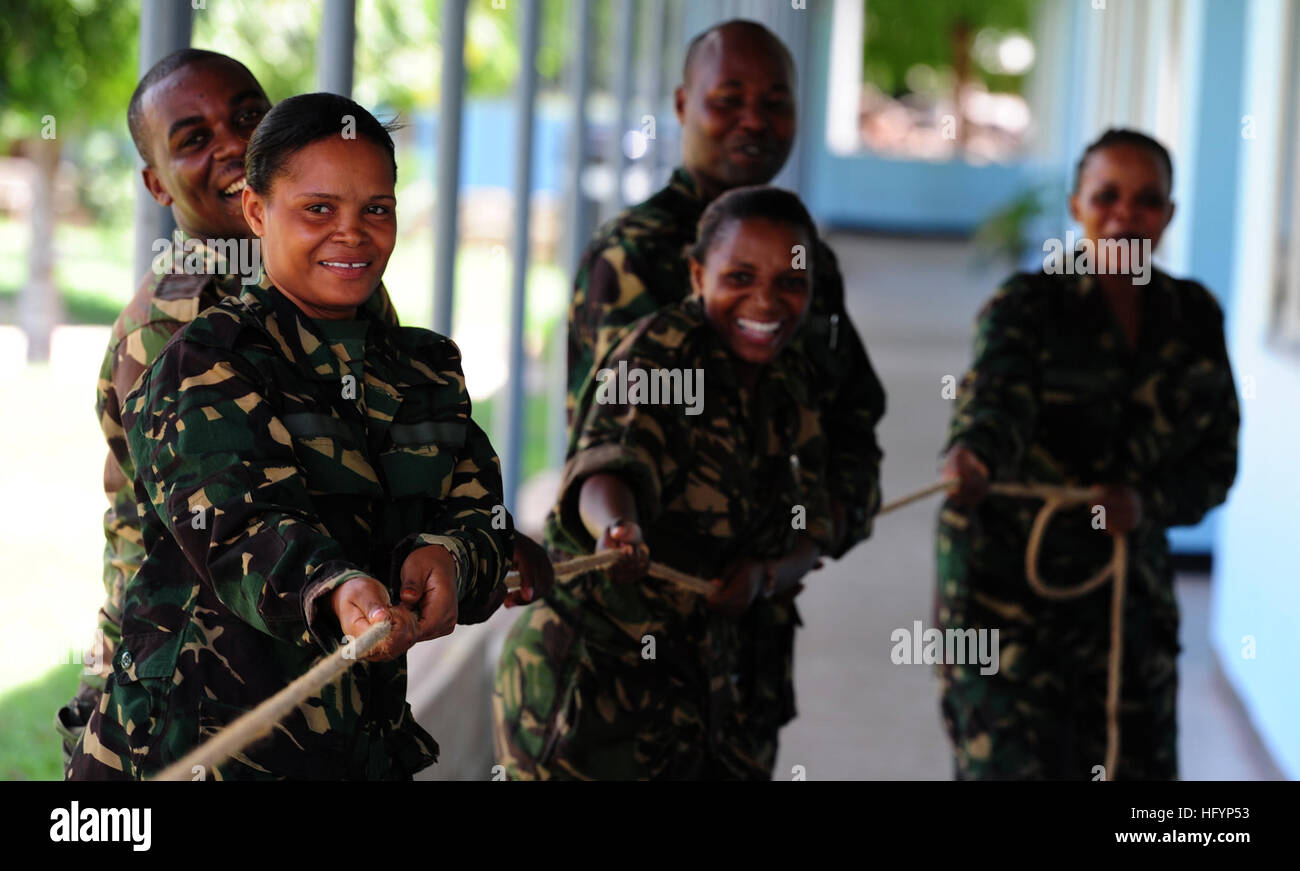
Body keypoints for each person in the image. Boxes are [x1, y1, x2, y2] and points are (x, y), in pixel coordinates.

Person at [67, 93, 548, 781]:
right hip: (201, 743)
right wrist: (332, 584)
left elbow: (474, 508)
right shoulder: (204, 356)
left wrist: (452, 558)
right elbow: (235, 521)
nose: (351, 233)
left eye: (375, 209)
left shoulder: (425, 366)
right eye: (318, 208)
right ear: (258, 212)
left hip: (357, 743)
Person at [554, 18, 886, 772]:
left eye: (775, 101)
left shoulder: (809, 257)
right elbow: (612, 446)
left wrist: (803, 547)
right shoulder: (634, 254)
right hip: (631, 651)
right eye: (727, 98)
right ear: (681, 104)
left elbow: (850, 425)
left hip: (746, 653)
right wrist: (622, 528)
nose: (753, 120)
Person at [495, 187, 840, 779]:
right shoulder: (663, 351)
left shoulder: (795, 373)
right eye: (740, 276)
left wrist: (768, 575)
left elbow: (814, 518)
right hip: (592, 687)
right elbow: (608, 464)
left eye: (790, 281)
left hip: (706, 685)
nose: (767, 300)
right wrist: (617, 526)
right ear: (697, 273)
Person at [936, 129, 1240, 780]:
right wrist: (973, 455)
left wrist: (1143, 503)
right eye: (1107, 196)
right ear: (1076, 206)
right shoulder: (1026, 307)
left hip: (1130, 611)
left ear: (1170, 214)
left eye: (1147, 200)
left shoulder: (1194, 316)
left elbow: (1216, 464)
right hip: (1009, 609)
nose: (1125, 215)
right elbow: (995, 404)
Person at [55, 49, 279, 765]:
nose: (234, 144)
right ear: (157, 184)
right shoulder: (169, 331)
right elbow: (245, 527)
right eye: (194, 138)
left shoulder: (324, 275)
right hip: (189, 696)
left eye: (248, 116)